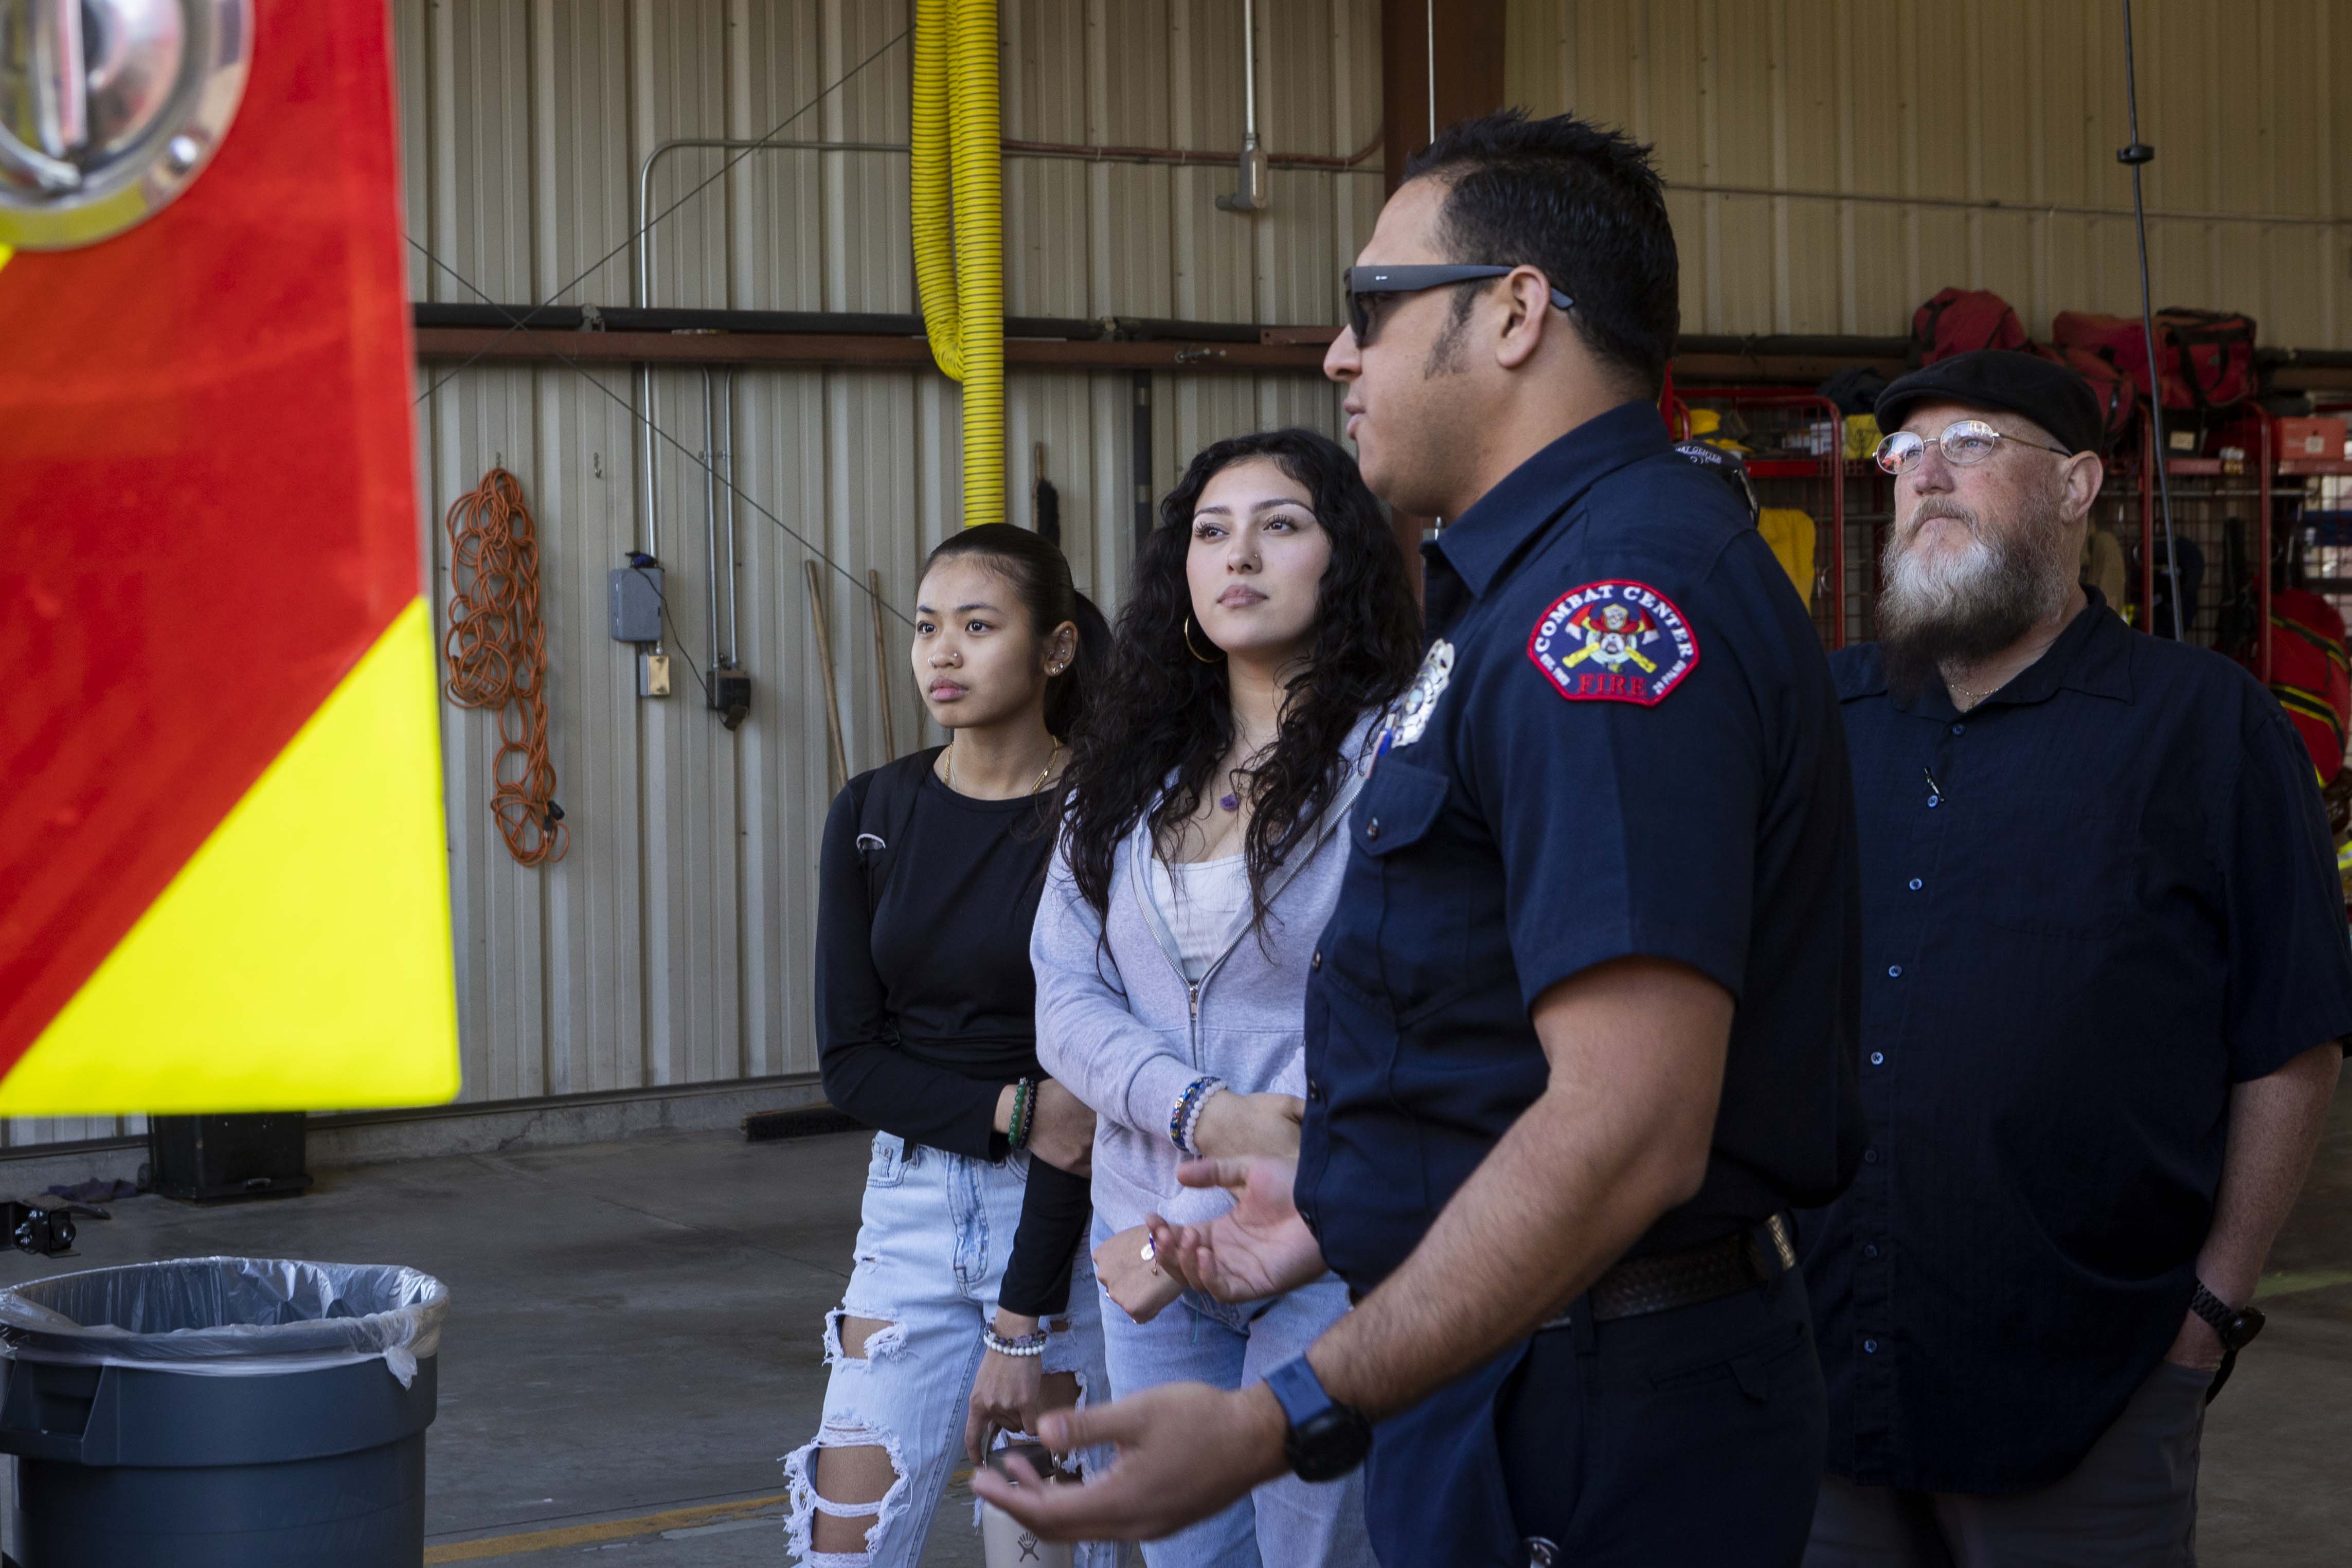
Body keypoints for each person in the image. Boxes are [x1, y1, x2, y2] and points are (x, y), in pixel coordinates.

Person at [976, 109, 1865, 1564]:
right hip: (1523, 1343)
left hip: (1592, 1390)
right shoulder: (1526, 593)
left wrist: (1282, 1416)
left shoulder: (1607, 610)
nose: (1339, 354)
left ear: (1514, 312)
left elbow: (1625, 1122)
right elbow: (1495, 1052)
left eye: (1370, 308)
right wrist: (1337, 1200)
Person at [1798, 350, 2352, 1566]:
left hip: (2091, 1383)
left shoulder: (2207, 727)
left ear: (2078, 484)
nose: (1927, 476)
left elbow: (2291, 1038)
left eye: (1974, 445)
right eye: (1904, 454)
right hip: (1835, 1369)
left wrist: (2208, 1310)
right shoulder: (1821, 720)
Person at [1032, 428, 1421, 1566]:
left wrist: (1272, 1141)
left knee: (1322, 1550)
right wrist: (1205, 1113)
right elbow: (1065, 998)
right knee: (1186, 1555)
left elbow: (1413, 991)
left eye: (1279, 525)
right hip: (1146, 1247)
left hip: (1327, 1239)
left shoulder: (1398, 757)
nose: (1238, 554)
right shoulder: (1117, 779)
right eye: (1212, 531)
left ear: (1339, 558)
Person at [785, 524, 1117, 1568]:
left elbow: (1087, 1107)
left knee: (1045, 1552)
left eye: (979, 626)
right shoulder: (873, 812)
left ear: (1055, 650)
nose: (943, 652)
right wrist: (1012, 1108)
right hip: (909, 1211)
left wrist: (1022, 1319)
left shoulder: (1103, 819)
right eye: (928, 627)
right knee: (846, 1547)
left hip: (1060, 1226)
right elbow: (850, 1062)